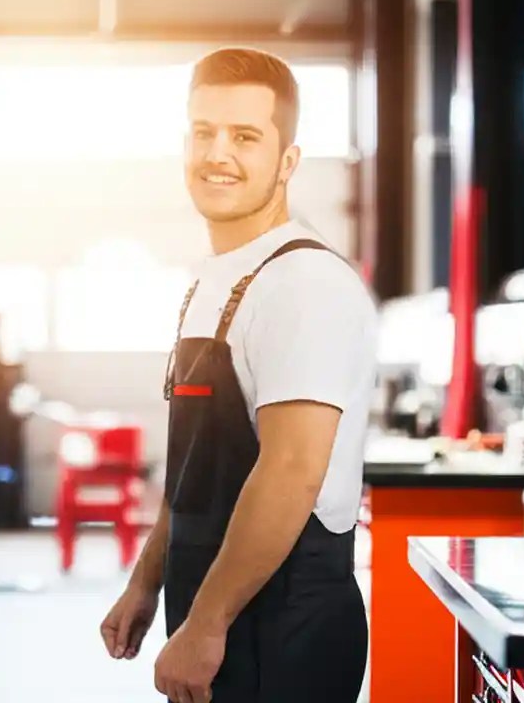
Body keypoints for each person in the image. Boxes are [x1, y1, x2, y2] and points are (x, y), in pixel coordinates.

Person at [100, 47, 376, 703]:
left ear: (287, 162)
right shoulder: (214, 282)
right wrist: (148, 581)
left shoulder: (303, 282)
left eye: (245, 137)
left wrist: (205, 623)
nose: (217, 153)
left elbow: (290, 472)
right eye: (204, 132)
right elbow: (195, 472)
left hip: (282, 626)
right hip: (219, 610)